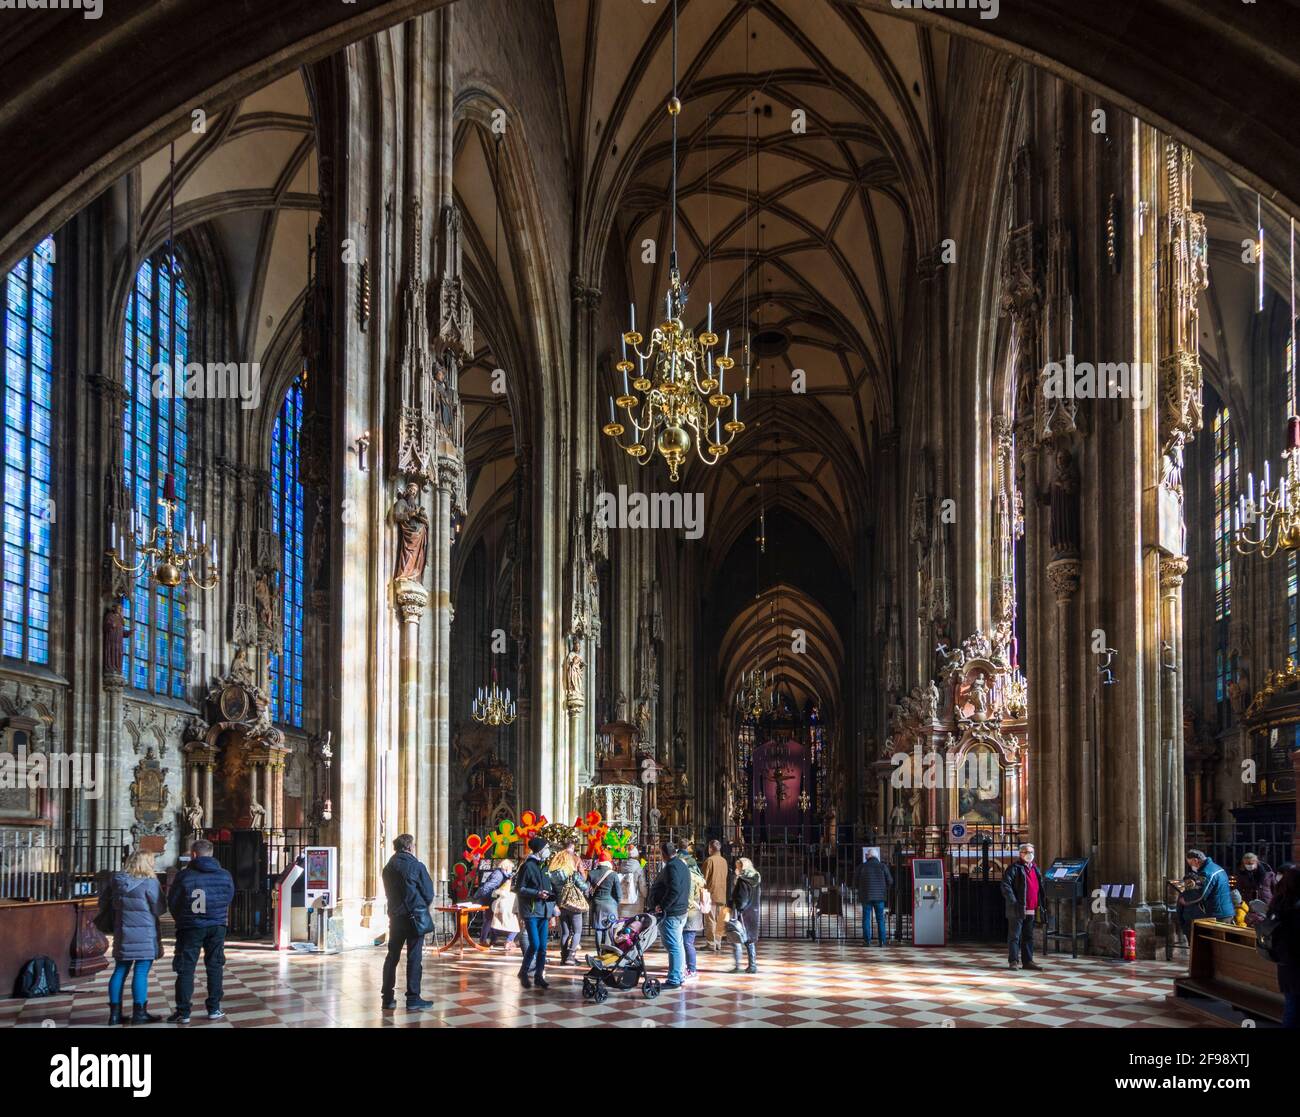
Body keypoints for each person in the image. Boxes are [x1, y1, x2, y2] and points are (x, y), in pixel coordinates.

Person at [167, 838, 235, 1023]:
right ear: (211, 854)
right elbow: (229, 897)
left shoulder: (184, 875)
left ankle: (183, 1012)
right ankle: (214, 1008)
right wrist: (218, 915)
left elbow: (173, 901)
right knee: (215, 966)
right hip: (216, 926)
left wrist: (181, 919)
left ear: (194, 854)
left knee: (186, 968)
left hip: (190, 927)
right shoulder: (224, 875)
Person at [98, 848, 165, 1025]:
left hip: (123, 931)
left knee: (120, 970)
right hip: (144, 933)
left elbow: (103, 903)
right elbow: (160, 909)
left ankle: (114, 1015)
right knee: (141, 972)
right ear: (147, 863)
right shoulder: (150, 883)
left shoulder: (116, 881)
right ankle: (140, 1013)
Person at [380, 834, 434, 1011]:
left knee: (392, 956)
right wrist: (419, 905)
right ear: (410, 847)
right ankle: (413, 998)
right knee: (414, 957)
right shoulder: (416, 866)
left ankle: (387, 998)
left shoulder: (388, 867)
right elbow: (428, 893)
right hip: (414, 918)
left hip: (395, 917)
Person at [648, 839, 691, 989]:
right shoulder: (682, 865)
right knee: (678, 944)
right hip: (680, 911)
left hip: (672, 913)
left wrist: (662, 906)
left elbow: (674, 890)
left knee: (673, 946)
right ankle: (679, 974)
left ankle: (674, 979)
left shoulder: (672, 867)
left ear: (663, 854)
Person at [515, 835, 556, 989]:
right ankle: (524, 972)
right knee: (535, 944)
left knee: (543, 947)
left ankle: (539, 975)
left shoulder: (545, 867)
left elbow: (549, 888)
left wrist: (553, 905)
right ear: (539, 850)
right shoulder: (527, 866)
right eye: (546, 848)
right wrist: (537, 893)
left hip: (544, 911)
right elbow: (520, 889)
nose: (548, 851)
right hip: (531, 911)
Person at [1001, 842, 1045, 971]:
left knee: (1028, 936)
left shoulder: (1035, 868)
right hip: (1017, 908)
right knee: (1015, 936)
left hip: (1031, 908)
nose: (1029, 855)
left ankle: (1028, 961)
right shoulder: (1014, 868)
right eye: (1026, 852)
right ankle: (1013, 961)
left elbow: (1039, 886)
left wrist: (1041, 902)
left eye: (1031, 852)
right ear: (1020, 854)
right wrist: (1013, 901)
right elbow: (1005, 885)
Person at [1266, 863, 1300, 1028]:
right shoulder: (1295, 908)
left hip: (1285, 963)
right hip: (1295, 963)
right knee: (1294, 1008)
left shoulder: (1279, 902)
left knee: (1291, 1004)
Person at [1174, 848, 1234, 938]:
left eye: (1190, 864)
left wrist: (1185, 900)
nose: (1191, 867)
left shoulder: (1206, 873)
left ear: (1196, 860)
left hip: (1217, 914)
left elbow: (1201, 894)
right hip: (1226, 911)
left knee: (1215, 945)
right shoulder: (1217, 867)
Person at [550, 840, 591, 965]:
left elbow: (552, 889)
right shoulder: (572, 874)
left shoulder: (553, 874)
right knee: (577, 931)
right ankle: (571, 956)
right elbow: (584, 886)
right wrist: (588, 885)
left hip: (561, 904)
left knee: (565, 932)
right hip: (574, 905)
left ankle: (563, 957)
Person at [728, 857, 762, 974]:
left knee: (736, 937)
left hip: (742, 913)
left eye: (738, 867)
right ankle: (752, 965)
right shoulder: (756, 878)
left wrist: (736, 907)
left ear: (742, 867)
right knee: (750, 940)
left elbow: (741, 900)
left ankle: (738, 966)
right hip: (753, 911)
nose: (736, 869)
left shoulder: (742, 881)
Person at [854, 848, 892, 947]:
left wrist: (861, 888)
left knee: (866, 919)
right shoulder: (882, 866)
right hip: (880, 897)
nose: (866, 856)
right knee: (880, 919)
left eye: (867, 854)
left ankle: (867, 941)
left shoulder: (862, 867)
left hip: (866, 896)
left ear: (869, 856)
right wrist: (883, 888)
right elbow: (890, 881)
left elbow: (855, 881)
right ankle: (882, 942)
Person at [681, 848, 708, 981]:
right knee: (687, 942)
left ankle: (691, 969)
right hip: (694, 915)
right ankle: (687, 967)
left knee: (687, 943)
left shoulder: (690, 878)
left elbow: (689, 899)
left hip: (690, 915)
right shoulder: (698, 877)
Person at [474, 859, 515, 945]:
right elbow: (487, 887)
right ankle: (484, 940)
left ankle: (490, 940)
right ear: (506, 867)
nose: (511, 870)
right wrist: (480, 898)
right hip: (489, 899)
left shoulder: (500, 874)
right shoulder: (498, 875)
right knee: (489, 919)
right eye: (511, 868)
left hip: (490, 899)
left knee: (491, 919)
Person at [589, 856, 622, 951]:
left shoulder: (591, 873)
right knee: (609, 928)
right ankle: (606, 952)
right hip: (610, 905)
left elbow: (586, 890)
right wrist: (616, 903)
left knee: (598, 929)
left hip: (597, 905)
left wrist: (591, 899)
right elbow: (618, 893)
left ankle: (599, 952)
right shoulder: (613, 874)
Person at [703, 840, 730, 950]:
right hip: (722, 894)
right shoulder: (724, 861)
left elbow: (704, 878)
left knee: (710, 920)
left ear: (710, 848)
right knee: (720, 920)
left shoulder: (709, 860)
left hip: (711, 894)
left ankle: (711, 943)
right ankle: (718, 942)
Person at [488, 863, 521, 952]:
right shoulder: (503, 877)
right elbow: (516, 907)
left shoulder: (500, 876)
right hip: (508, 907)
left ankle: (492, 943)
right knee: (514, 929)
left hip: (499, 906)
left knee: (495, 927)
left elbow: (494, 902)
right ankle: (508, 942)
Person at [618, 846, 646, 919]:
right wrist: (645, 895)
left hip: (623, 900)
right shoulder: (639, 869)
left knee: (621, 923)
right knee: (634, 924)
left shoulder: (621, 867)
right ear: (636, 856)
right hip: (635, 901)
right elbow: (642, 885)